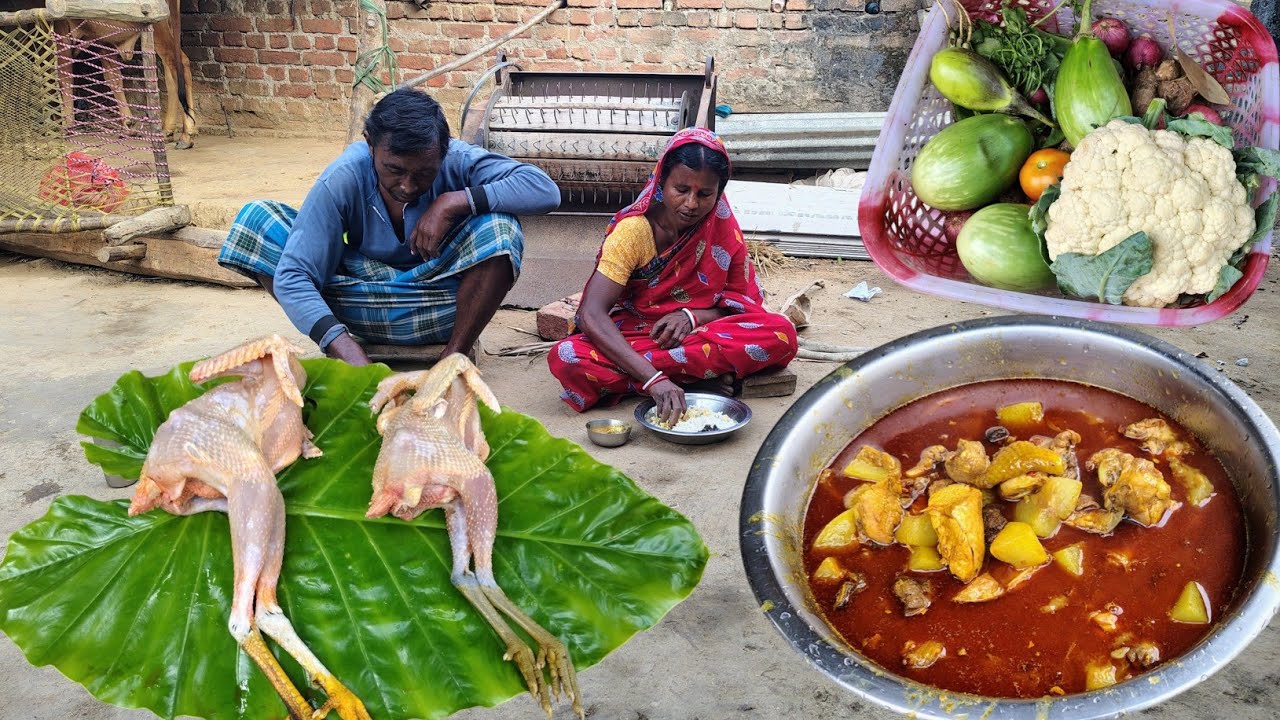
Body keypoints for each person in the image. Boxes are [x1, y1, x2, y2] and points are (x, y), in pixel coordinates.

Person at [217, 88, 560, 365]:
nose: (408, 186)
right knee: (256, 221)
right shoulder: (346, 175)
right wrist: (349, 355)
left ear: (443, 152)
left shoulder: (457, 159)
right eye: (394, 170)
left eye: (424, 173)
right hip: (358, 301)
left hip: (441, 304)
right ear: (369, 144)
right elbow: (294, 275)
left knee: (501, 228)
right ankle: (339, 342)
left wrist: (454, 201)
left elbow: (544, 190)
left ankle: (451, 360)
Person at [547, 128, 799, 424]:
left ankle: (661, 380)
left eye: (705, 194)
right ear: (661, 181)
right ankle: (688, 382)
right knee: (567, 356)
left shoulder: (721, 224)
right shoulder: (634, 232)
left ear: (719, 191)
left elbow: (739, 304)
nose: (691, 204)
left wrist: (692, 317)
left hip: (696, 333)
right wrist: (654, 380)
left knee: (780, 332)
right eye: (681, 190)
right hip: (639, 334)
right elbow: (590, 315)